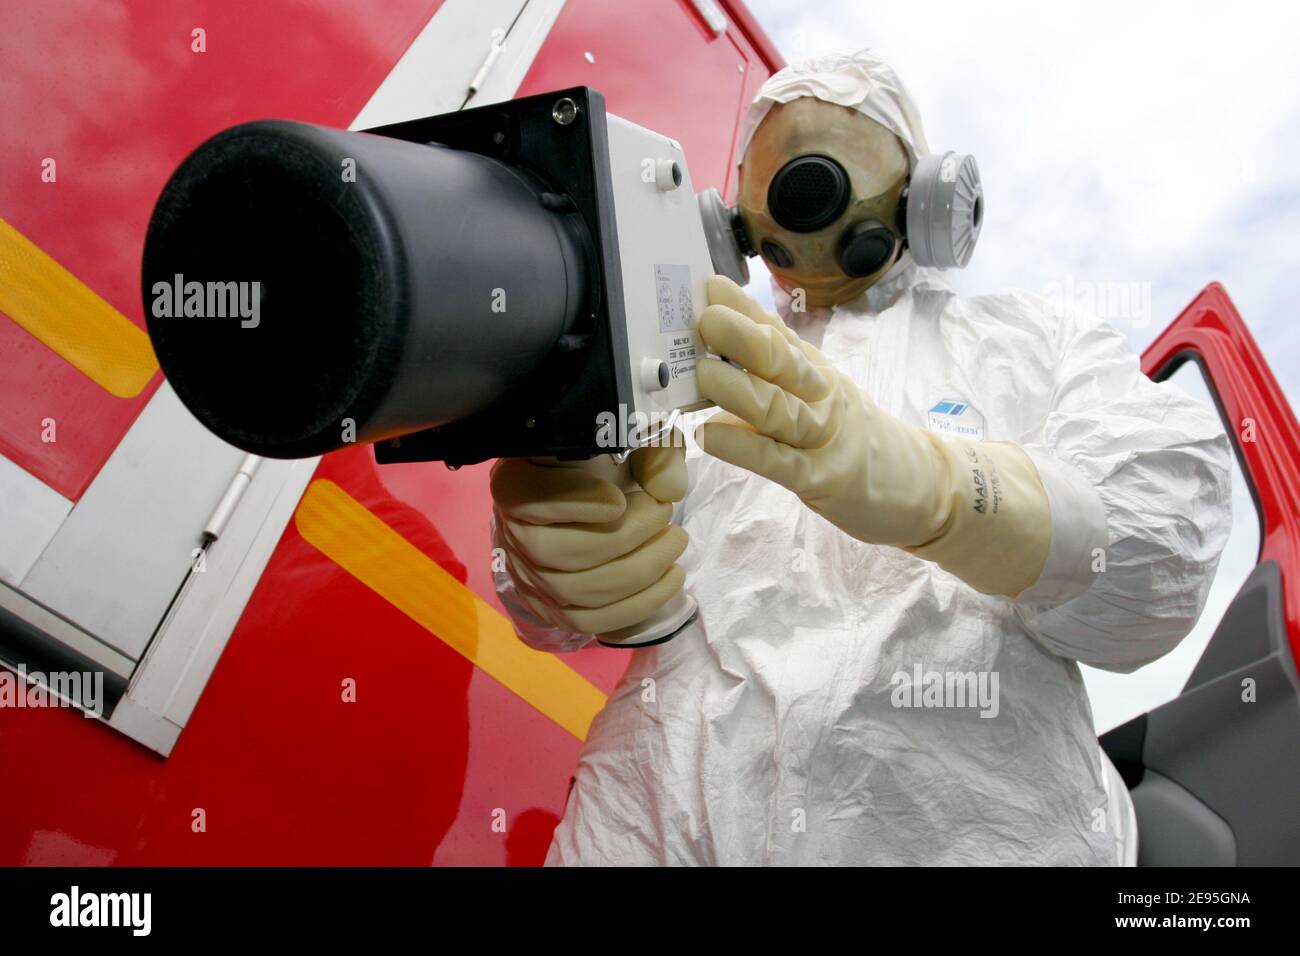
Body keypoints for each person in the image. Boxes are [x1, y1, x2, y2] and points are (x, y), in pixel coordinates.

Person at [489, 49, 1231, 865]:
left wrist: (948, 495)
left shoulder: (1025, 344)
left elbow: (1161, 551)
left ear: (929, 197)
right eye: (782, 175)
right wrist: (549, 566)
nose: (807, 197)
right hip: (650, 824)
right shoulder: (687, 364)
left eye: (836, 161)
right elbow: (571, 605)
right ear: (732, 218)